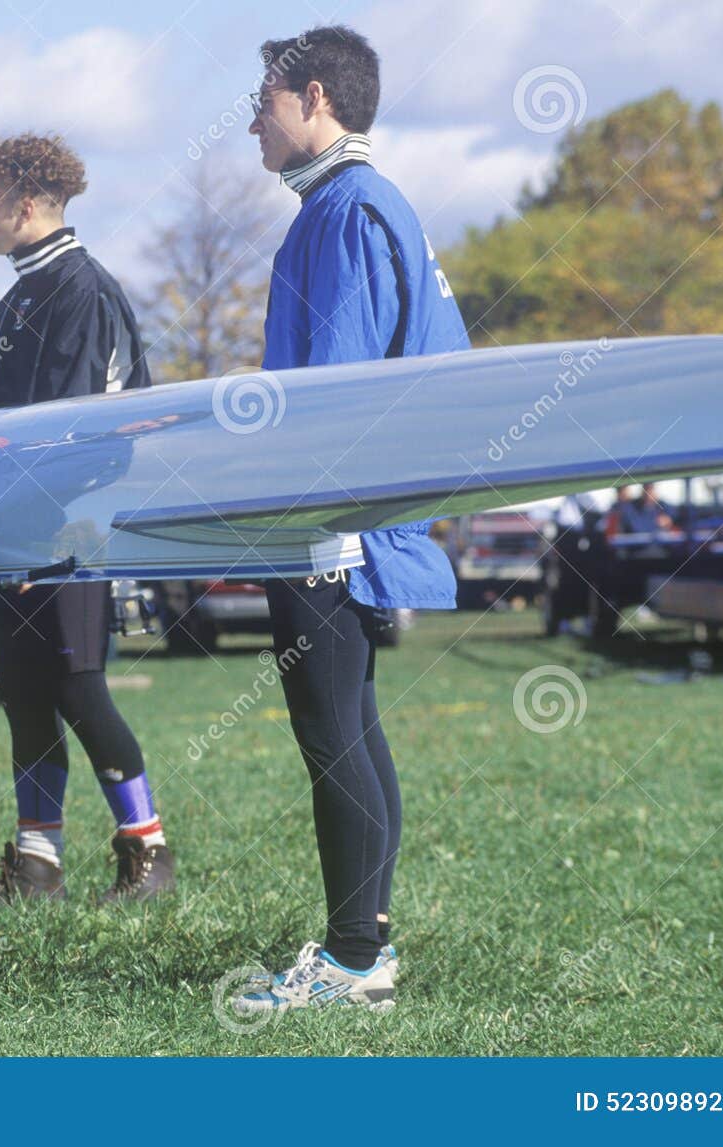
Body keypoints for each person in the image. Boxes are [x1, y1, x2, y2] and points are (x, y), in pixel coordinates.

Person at [234, 25, 469, 1014]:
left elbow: (330, 400)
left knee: (333, 734)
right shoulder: (353, 204)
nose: (252, 118)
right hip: (351, 524)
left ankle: (350, 958)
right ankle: (363, 942)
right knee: (352, 731)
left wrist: (298, 515)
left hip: (335, 529)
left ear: (313, 98)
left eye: (263, 100)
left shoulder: (347, 209)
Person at [0, 132, 172, 904]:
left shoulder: (82, 288)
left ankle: (148, 849)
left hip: (72, 533)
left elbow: (73, 436)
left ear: (25, 204)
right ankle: (37, 863)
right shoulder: (22, 291)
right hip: (15, 533)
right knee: (21, 690)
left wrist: (38, 530)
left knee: (80, 686)